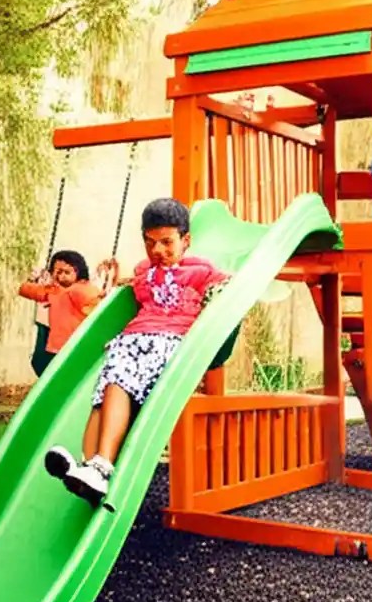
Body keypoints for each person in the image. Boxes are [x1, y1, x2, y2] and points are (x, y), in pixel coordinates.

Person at [44, 198, 230, 504]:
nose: (157, 250)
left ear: (186, 241)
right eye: (150, 242)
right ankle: (89, 468)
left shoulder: (200, 270)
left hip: (168, 340)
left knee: (119, 384)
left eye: (167, 243)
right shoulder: (143, 270)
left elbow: (228, 289)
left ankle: (101, 467)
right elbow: (130, 290)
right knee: (104, 394)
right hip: (131, 339)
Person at [19, 250, 103, 376]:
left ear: (78, 272)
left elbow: (97, 306)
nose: (61, 276)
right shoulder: (56, 290)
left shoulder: (81, 289)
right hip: (57, 346)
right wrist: (33, 278)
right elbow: (26, 290)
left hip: (73, 346)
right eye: (57, 272)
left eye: (67, 272)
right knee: (39, 364)